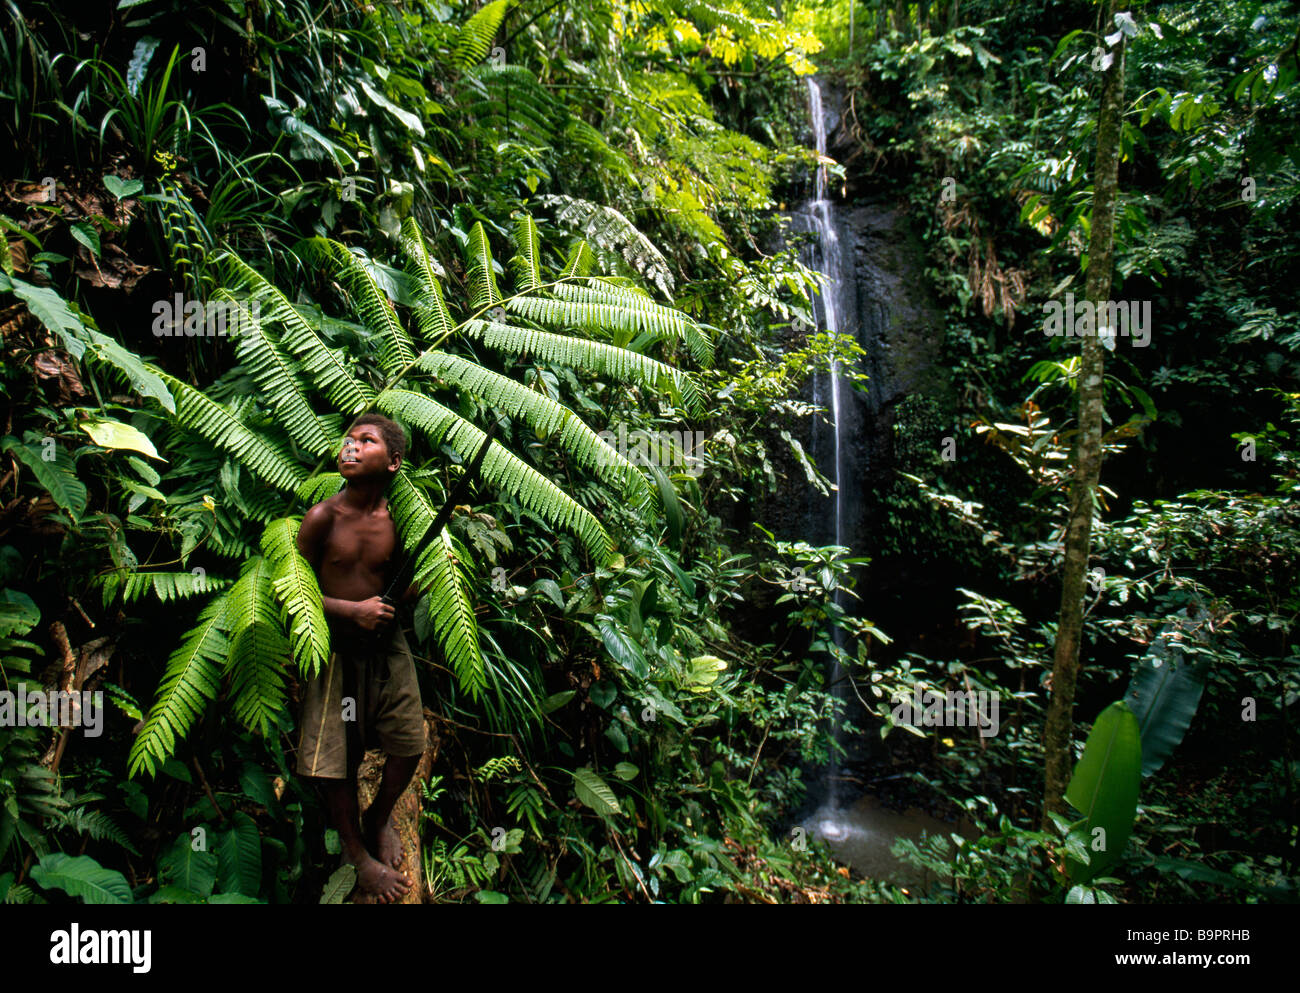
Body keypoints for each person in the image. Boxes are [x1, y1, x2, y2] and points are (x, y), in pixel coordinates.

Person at [294, 413, 426, 903]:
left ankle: (380, 814)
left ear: (393, 462)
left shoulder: (395, 522)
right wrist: (351, 610)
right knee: (336, 759)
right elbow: (295, 590)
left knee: (410, 739)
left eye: (365, 441)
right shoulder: (323, 518)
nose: (350, 447)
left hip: (385, 645)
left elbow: (395, 582)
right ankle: (356, 853)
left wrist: (410, 590)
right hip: (333, 647)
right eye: (348, 439)